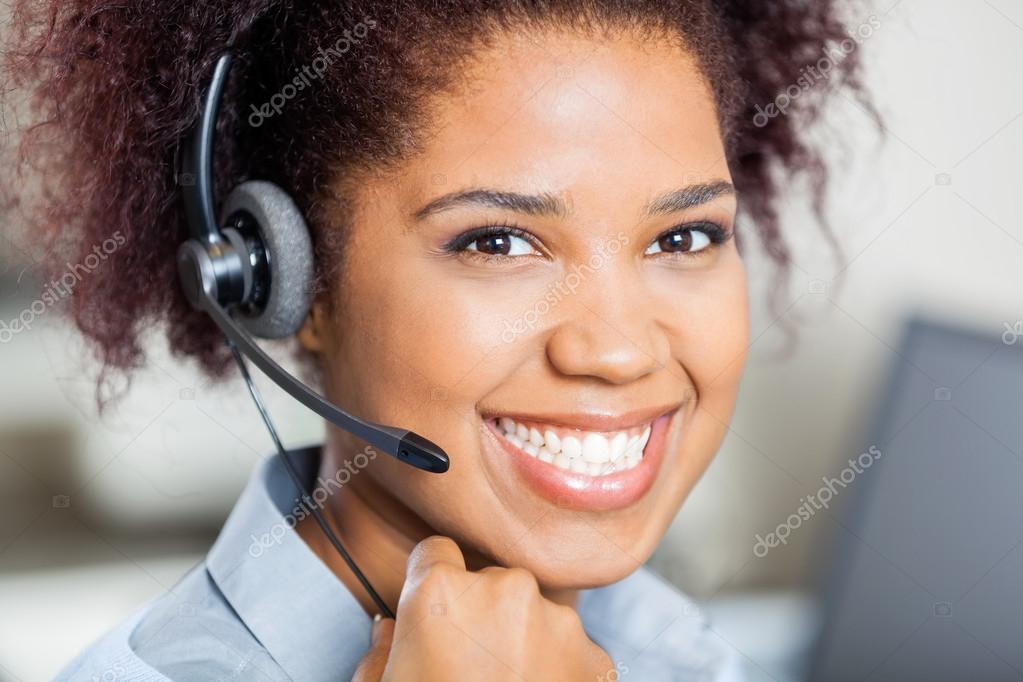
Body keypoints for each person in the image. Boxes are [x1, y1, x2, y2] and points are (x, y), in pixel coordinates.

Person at [0, 1, 871, 679]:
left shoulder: (671, 642)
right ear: (291, 284)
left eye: (682, 237)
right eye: (496, 242)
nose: (617, 351)